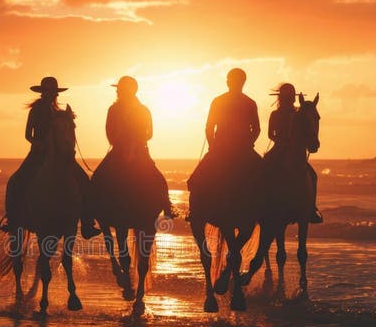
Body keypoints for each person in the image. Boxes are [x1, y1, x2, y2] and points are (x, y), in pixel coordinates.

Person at [5, 76, 100, 237]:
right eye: (47, 91)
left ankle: (87, 222)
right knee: (17, 181)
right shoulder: (36, 110)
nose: (51, 94)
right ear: (43, 93)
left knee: (84, 181)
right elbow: (28, 134)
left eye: (53, 92)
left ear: (56, 94)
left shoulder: (59, 113)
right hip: (38, 153)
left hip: (62, 155)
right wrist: (38, 143)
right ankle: (13, 219)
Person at [92, 75, 175, 218]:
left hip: (139, 151)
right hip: (118, 150)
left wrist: (135, 142)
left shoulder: (143, 110)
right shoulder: (114, 110)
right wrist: (120, 143)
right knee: (97, 177)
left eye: (121, 89)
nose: (118, 92)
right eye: (119, 89)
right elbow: (109, 132)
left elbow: (150, 134)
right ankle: (90, 213)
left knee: (159, 179)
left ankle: (167, 207)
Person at [188, 67, 261, 203]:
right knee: (196, 180)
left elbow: (256, 129)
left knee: (265, 177)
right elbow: (209, 127)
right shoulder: (222, 101)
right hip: (224, 148)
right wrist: (213, 146)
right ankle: (195, 210)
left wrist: (247, 143)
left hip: (235, 148)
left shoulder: (247, 103)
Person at [264, 82, 322, 223]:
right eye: (287, 97)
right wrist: (282, 141)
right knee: (263, 170)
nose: (289, 100)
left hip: (295, 148)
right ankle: (261, 204)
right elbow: (270, 134)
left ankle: (311, 208)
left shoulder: (298, 114)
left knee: (312, 175)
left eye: (291, 97)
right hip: (279, 148)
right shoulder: (275, 114)